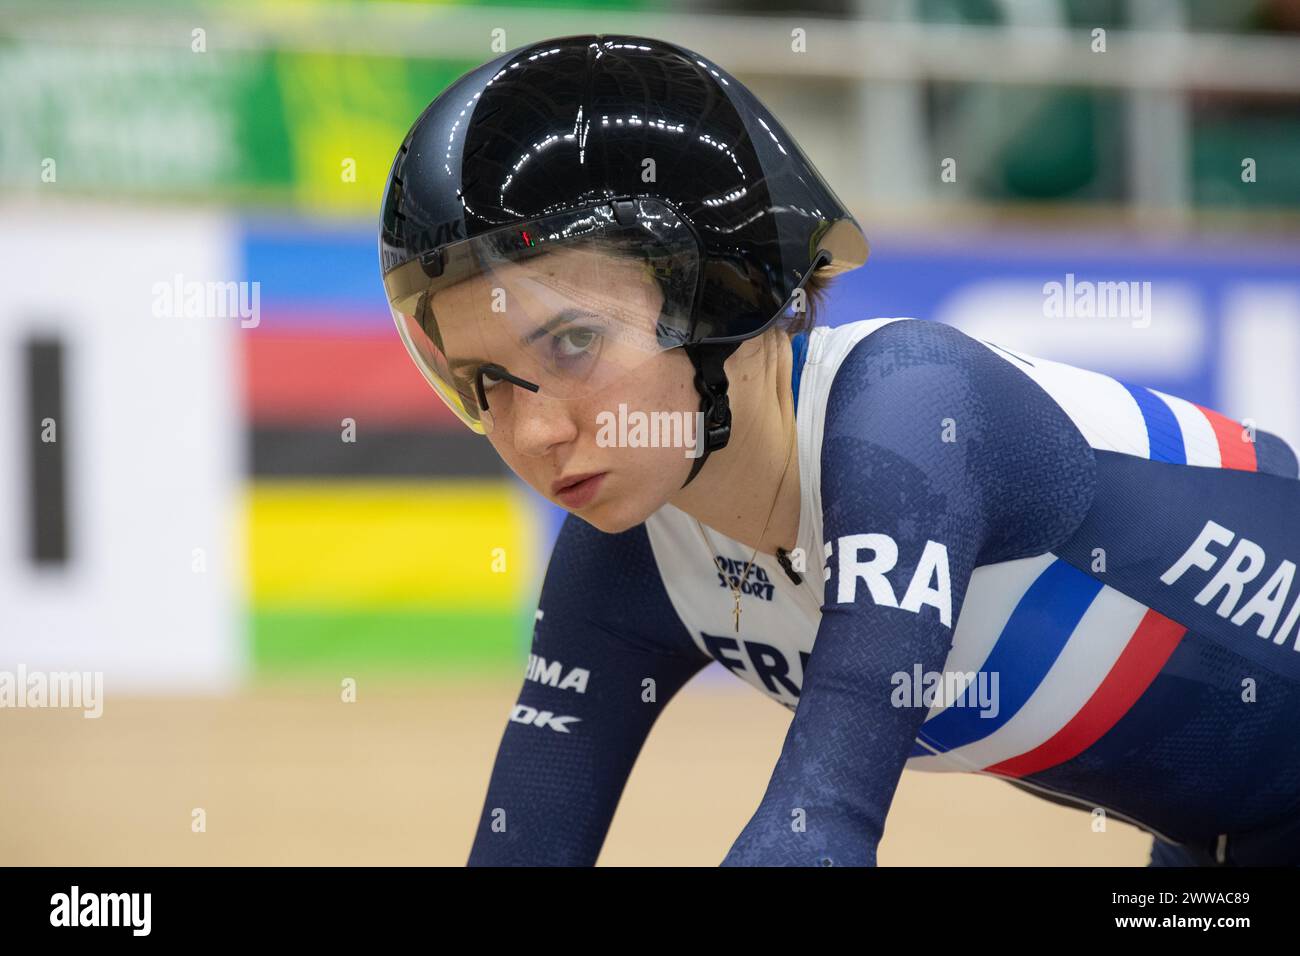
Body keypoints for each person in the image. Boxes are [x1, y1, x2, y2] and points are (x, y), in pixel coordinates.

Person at [378, 35, 1300, 866]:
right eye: (486, 381)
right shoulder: (630, 546)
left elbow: (817, 829)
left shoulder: (916, 413)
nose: (532, 432)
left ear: (727, 293)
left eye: (573, 342)